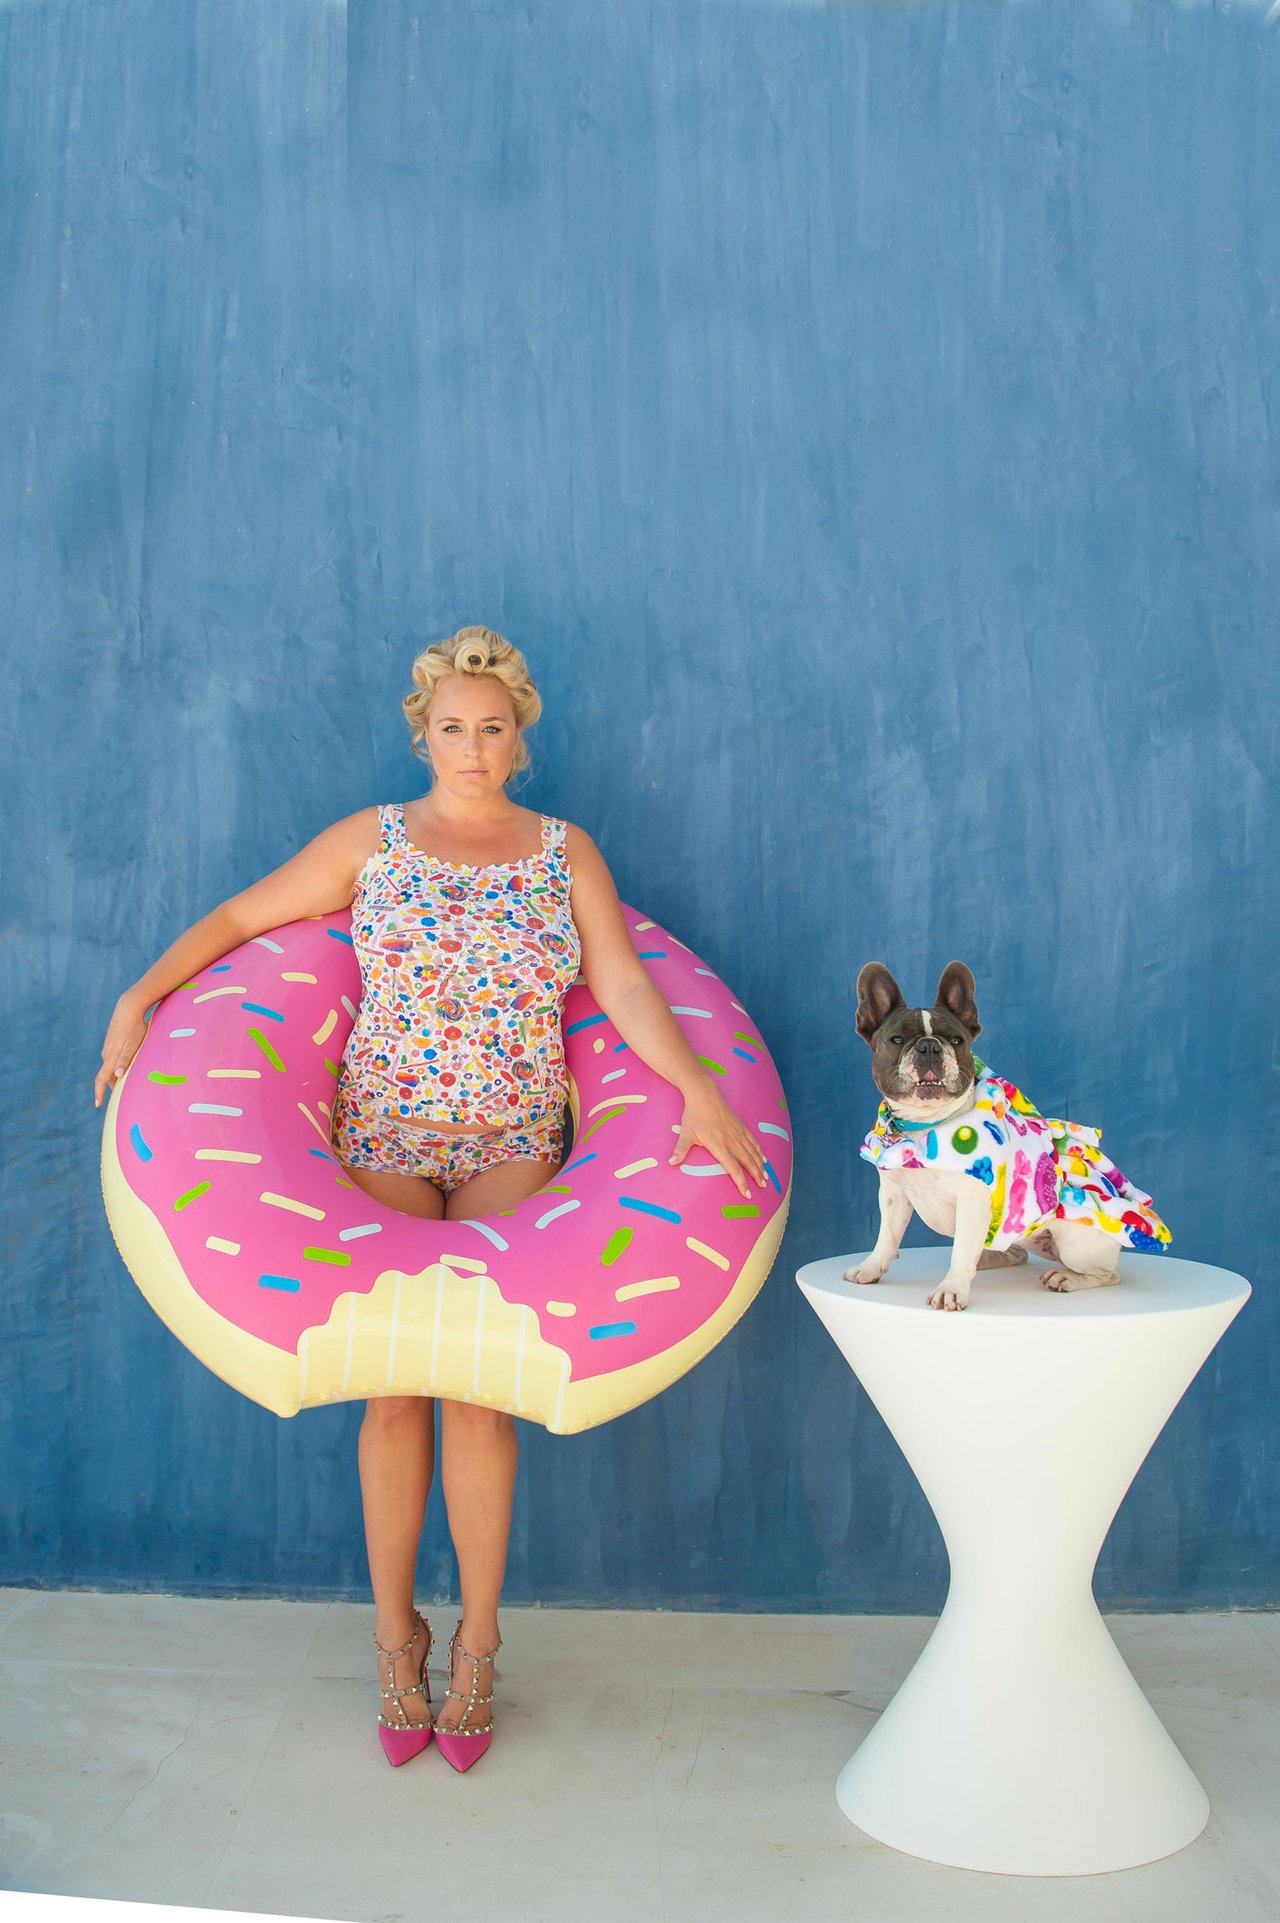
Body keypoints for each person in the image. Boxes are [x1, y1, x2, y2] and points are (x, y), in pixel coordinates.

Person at [95, 626, 766, 1771]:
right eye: (450, 728)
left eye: (491, 728)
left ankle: (480, 1646)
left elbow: (617, 982)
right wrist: (137, 997)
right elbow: (242, 922)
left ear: (520, 739)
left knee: (478, 1393)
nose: (470, 747)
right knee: (398, 1390)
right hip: (383, 1134)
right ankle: (393, 1637)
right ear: (424, 735)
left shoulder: (564, 852)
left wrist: (697, 1095)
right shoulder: (375, 841)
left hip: (512, 1135)